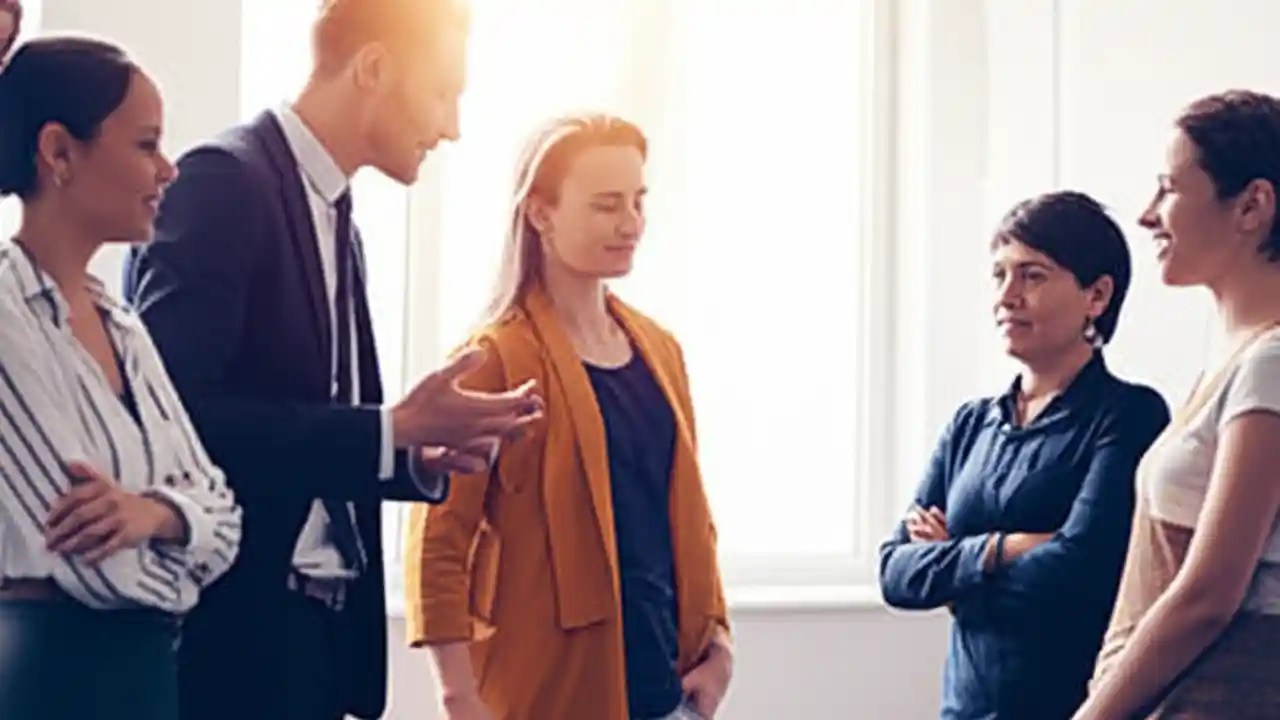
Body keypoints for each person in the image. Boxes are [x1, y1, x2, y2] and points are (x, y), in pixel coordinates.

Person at [122, 1, 542, 719]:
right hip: (235, 643)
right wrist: (388, 428)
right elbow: (175, 418)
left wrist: (410, 454)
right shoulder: (223, 182)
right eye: (442, 92)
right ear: (372, 68)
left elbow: (305, 426)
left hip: (316, 643)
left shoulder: (338, 217)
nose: (452, 126)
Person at [404, 114, 733, 720]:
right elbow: (438, 544)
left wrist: (720, 643)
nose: (631, 223)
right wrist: (458, 696)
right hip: (543, 695)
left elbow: (688, 517)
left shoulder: (661, 350)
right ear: (540, 213)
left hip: (669, 692)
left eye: (638, 201)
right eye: (607, 205)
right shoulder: (493, 359)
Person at [0, 37, 241, 720]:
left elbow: (227, 517)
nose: (168, 169)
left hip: (143, 677)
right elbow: (89, 559)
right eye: (145, 144)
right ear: (59, 152)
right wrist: (181, 541)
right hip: (49, 679)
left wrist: (154, 515)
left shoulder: (123, 324)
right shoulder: (6, 317)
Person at [878, 191, 1170, 720]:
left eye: (1032, 275)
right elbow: (895, 573)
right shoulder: (970, 424)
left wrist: (952, 567)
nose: (1007, 296)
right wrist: (1001, 548)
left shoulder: (1130, 415)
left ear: (1097, 295)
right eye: (999, 275)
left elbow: (1079, 573)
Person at [1077, 90, 1280, 720]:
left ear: (1252, 206)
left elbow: (1207, 596)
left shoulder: (1270, 365)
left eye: (1167, 189)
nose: (1147, 215)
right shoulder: (1236, 363)